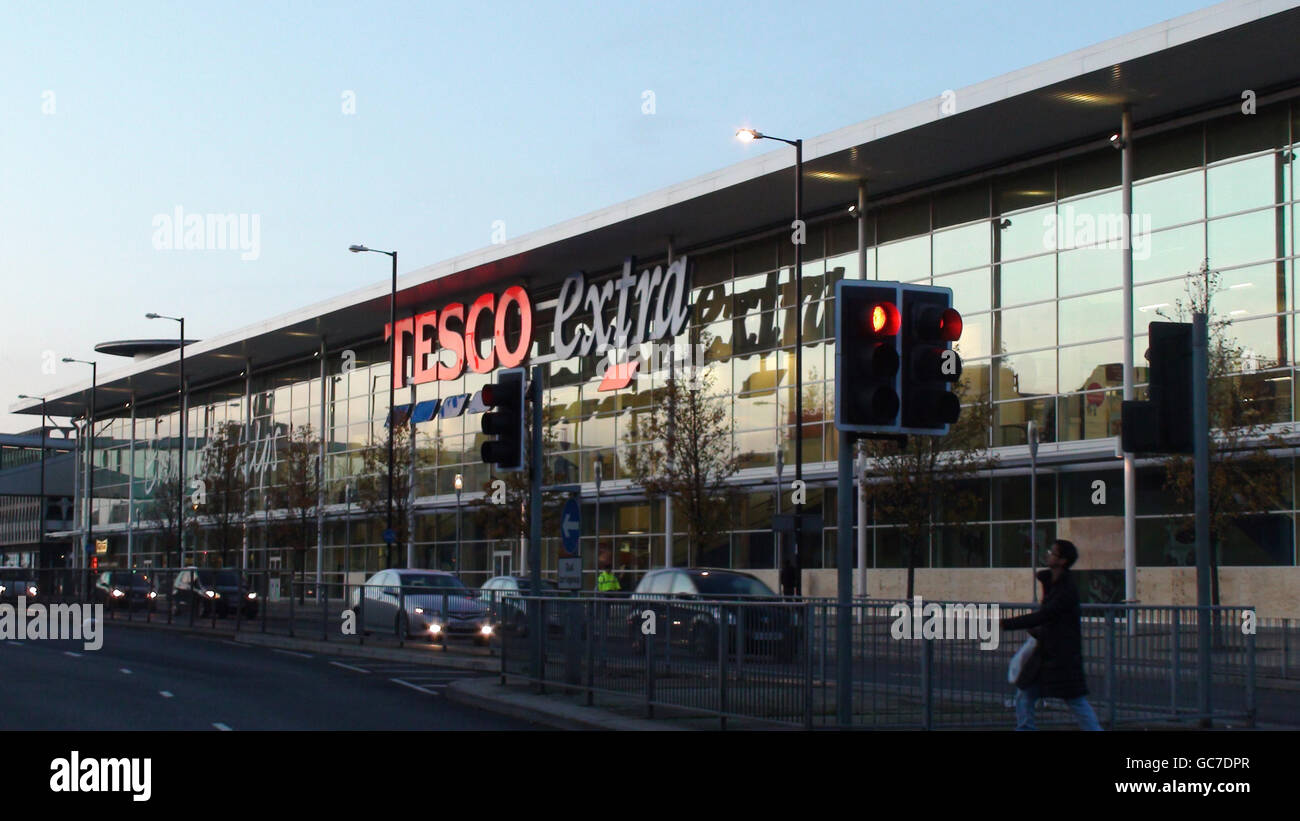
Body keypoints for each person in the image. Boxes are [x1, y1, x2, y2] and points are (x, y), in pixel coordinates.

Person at [999, 539, 1102, 731]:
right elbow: (1052, 618)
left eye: (1052, 553)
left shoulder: (1066, 589)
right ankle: (1025, 728)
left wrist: (1008, 623)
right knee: (1025, 692)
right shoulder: (1053, 583)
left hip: (1062, 655)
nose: (1048, 555)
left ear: (1062, 561)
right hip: (1048, 652)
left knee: (1075, 700)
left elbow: (1047, 614)